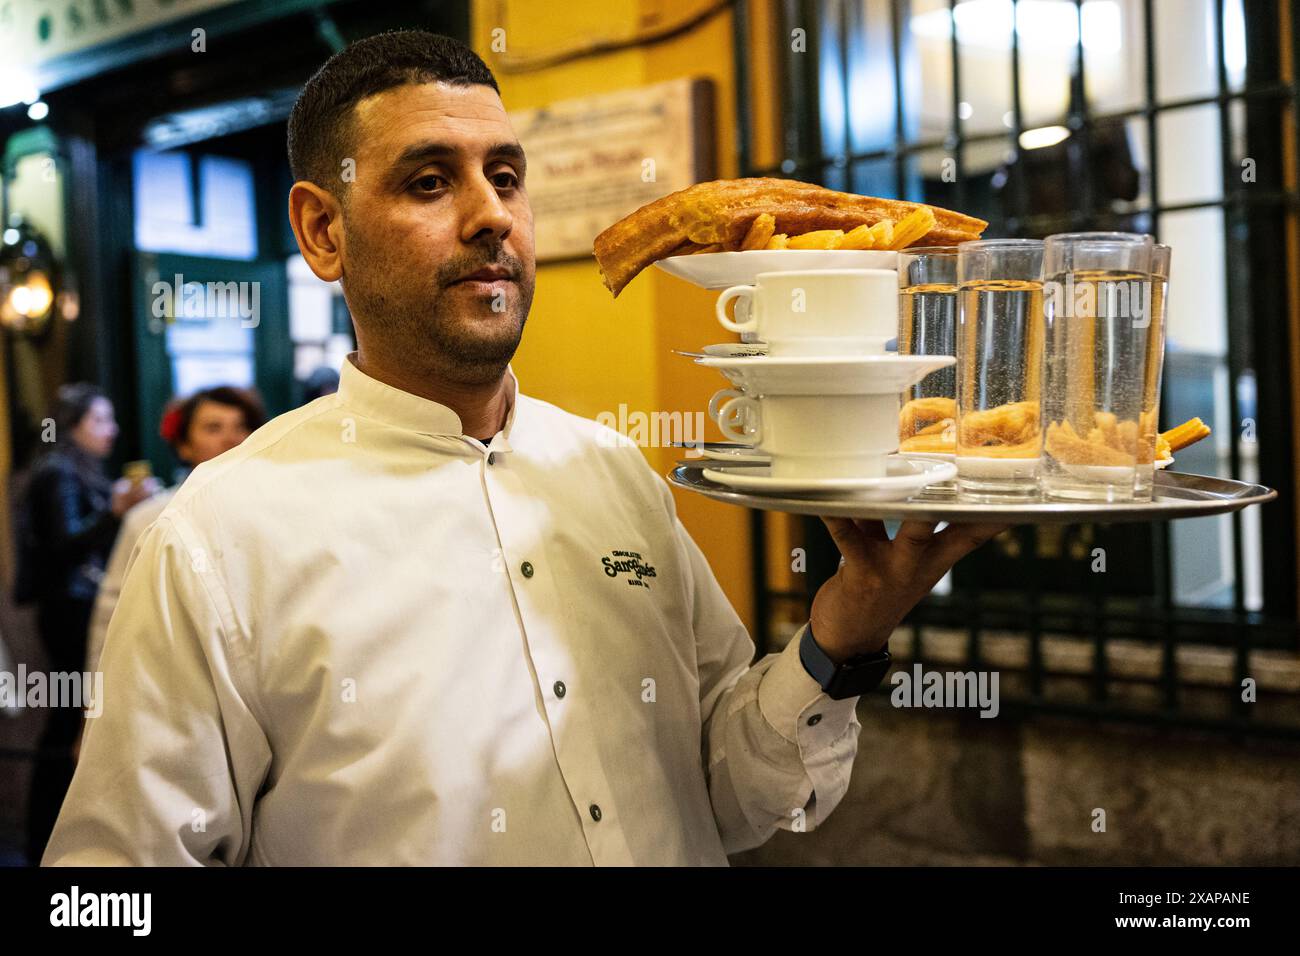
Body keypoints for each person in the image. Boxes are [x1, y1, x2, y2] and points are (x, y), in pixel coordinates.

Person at [44, 31, 1002, 866]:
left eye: (506, 177)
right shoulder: (218, 537)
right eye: (429, 181)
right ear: (323, 230)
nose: (492, 214)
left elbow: (731, 792)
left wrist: (846, 633)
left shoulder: (616, 472)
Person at [19, 383, 159, 862]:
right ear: (72, 425)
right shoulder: (58, 472)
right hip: (70, 610)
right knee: (69, 720)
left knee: (70, 717)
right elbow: (64, 546)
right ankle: (47, 836)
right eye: (100, 420)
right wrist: (117, 512)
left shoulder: (73, 469)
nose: (112, 429)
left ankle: (52, 835)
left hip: (69, 607)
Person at [86, 385, 265, 675]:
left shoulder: (272, 513)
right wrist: (98, 689)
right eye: (213, 428)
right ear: (184, 444)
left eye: (242, 426)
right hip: (173, 674)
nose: (231, 439)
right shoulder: (150, 518)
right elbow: (113, 611)